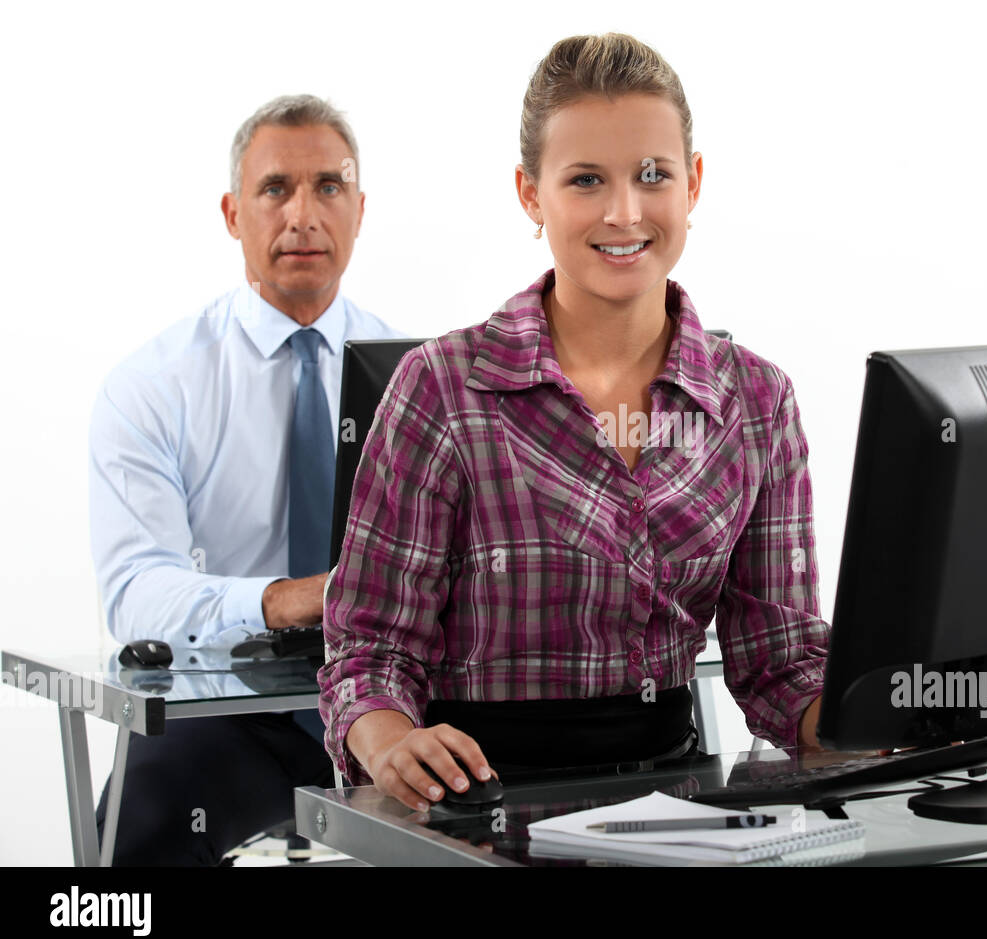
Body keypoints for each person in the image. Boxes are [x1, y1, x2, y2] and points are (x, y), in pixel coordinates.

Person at [319, 33, 828, 812]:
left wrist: (888, 721)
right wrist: (390, 741)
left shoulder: (757, 403)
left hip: (675, 812)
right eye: (586, 180)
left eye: (653, 175)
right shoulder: (443, 391)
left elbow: (781, 663)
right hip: (471, 800)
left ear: (692, 183)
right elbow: (370, 650)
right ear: (531, 195)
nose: (624, 212)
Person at [87, 94, 407, 864]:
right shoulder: (153, 385)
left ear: (360, 210)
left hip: (396, 703)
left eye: (329, 187)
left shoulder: (419, 376)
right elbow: (135, 593)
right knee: (139, 823)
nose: (303, 214)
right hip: (235, 715)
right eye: (275, 190)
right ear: (233, 213)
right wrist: (284, 599)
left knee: (533, 793)